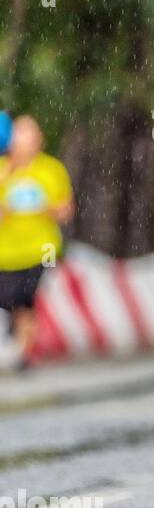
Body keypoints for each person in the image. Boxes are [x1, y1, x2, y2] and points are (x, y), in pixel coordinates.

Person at [0, 116, 73, 371]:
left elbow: (66, 211)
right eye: (20, 138)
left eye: (30, 138)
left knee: (25, 298)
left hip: (41, 249)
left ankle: (24, 354)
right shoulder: (2, 169)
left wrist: (45, 207)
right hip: (6, 252)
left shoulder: (51, 170)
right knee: (10, 299)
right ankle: (16, 336)